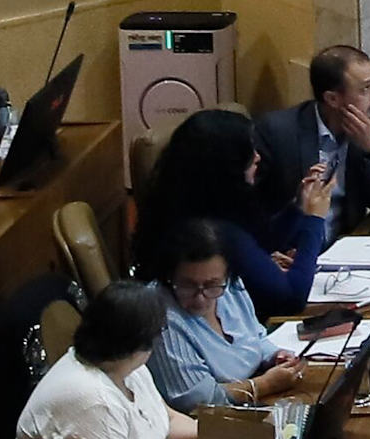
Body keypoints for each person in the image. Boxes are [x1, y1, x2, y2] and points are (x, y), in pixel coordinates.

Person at [131, 107, 328, 317]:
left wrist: (298, 208)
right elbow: (291, 298)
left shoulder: (186, 202)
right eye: (249, 152)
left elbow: (260, 241)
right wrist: (314, 221)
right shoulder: (212, 232)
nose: (257, 157)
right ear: (227, 165)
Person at [9, 283, 192, 439]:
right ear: (137, 343)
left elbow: (168, 423)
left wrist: (217, 438)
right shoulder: (90, 397)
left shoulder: (129, 367)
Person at [146, 221, 326, 412]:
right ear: (168, 277)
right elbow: (195, 401)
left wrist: (274, 355)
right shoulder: (159, 314)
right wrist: (264, 384)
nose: (200, 298)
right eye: (187, 286)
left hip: (258, 400)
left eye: (212, 285)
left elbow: (255, 336)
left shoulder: (230, 286)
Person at [252, 44, 370, 237]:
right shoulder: (278, 132)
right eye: (365, 88)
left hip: (348, 243)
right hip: (294, 246)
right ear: (332, 99)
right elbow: (252, 213)